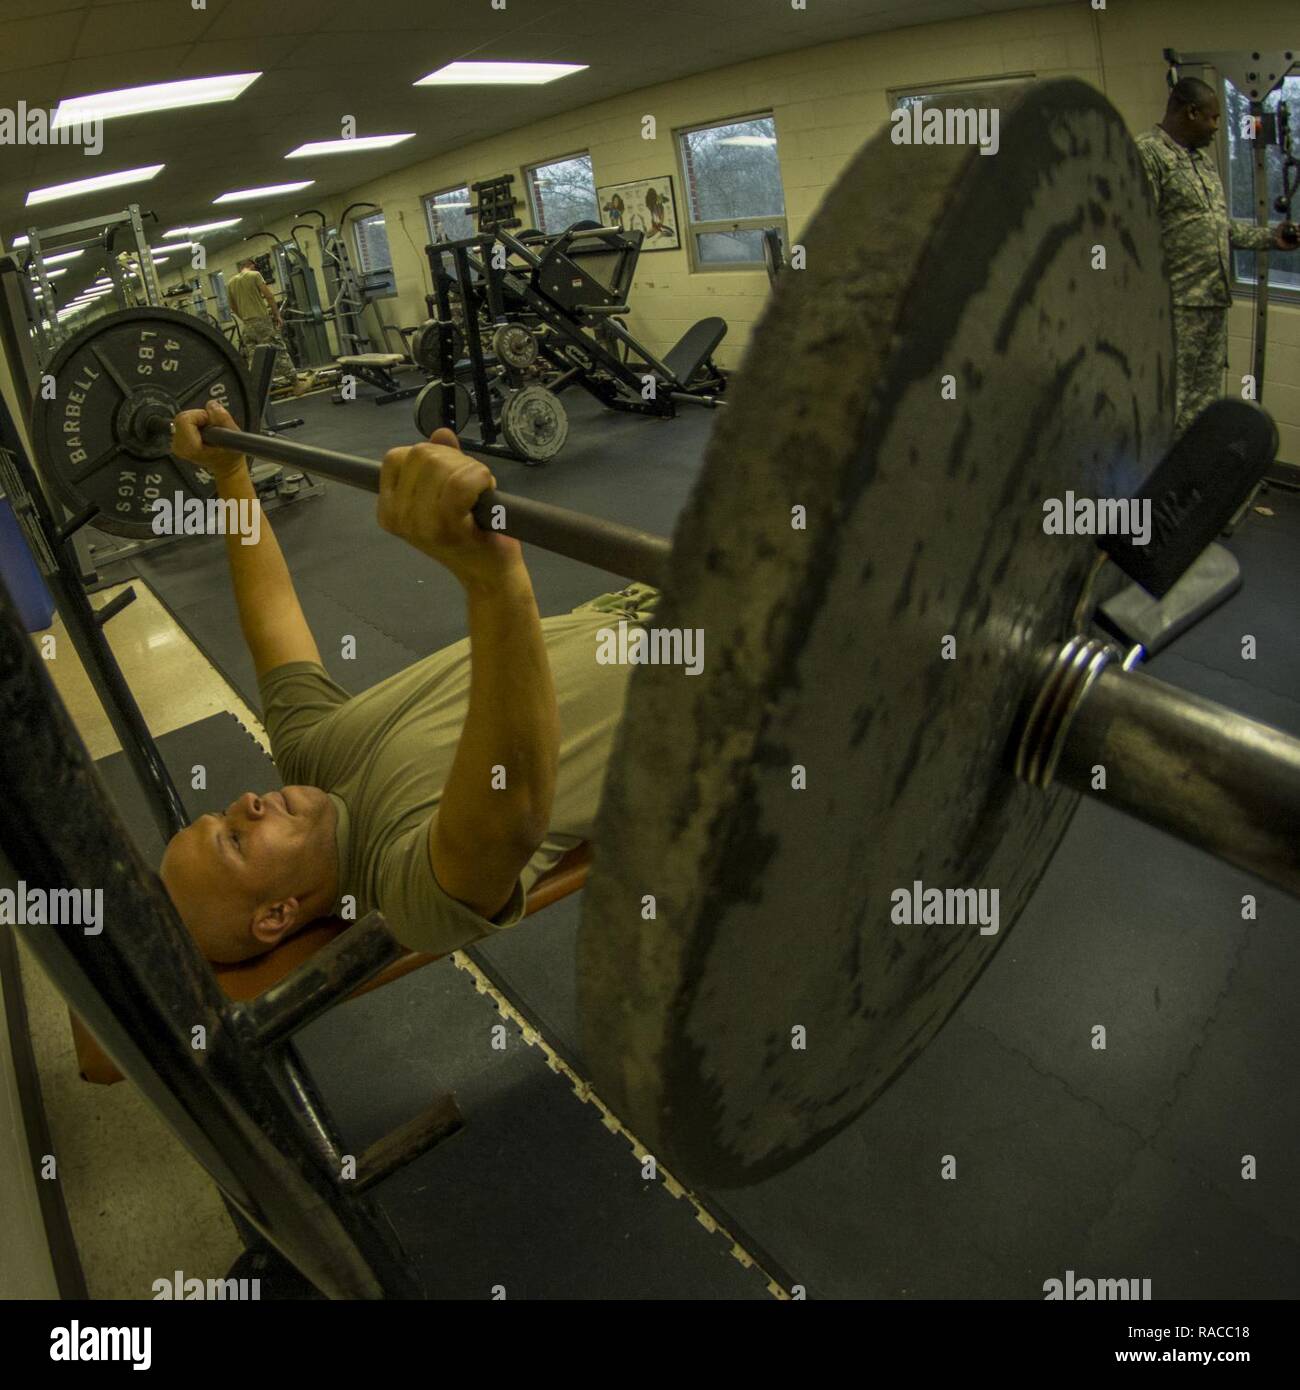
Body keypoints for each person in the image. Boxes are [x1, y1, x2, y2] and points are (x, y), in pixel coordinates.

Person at [159, 406, 657, 964]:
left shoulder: (308, 755)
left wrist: (230, 474)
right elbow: (511, 814)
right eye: (235, 840)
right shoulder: (408, 898)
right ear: (277, 914)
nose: (245, 803)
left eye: (222, 812)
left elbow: (271, 612)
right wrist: (490, 579)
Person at [1135, 76, 1299, 436]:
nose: (1215, 127)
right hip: (1175, 305)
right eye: (1213, 118)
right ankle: (1159, 471)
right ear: (1191, 112)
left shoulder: (1203, 163)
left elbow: (1218, 228)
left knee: (1204, 404)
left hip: (1211, 301)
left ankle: (1194, 468)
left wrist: (1270, 238)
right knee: (1168, 403)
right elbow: (1134, 233)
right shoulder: (1148, 154)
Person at [226, 257, 309, 396]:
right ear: (251, 265)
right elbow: (269, 296)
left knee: (254, 359)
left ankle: (254, 393)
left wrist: (245, 319)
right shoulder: (255, 275)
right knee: (280, 351)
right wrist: (277, 315)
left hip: (247, 326)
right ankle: (296, 384)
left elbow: (233, 307)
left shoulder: (231, 282)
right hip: (262, 322)